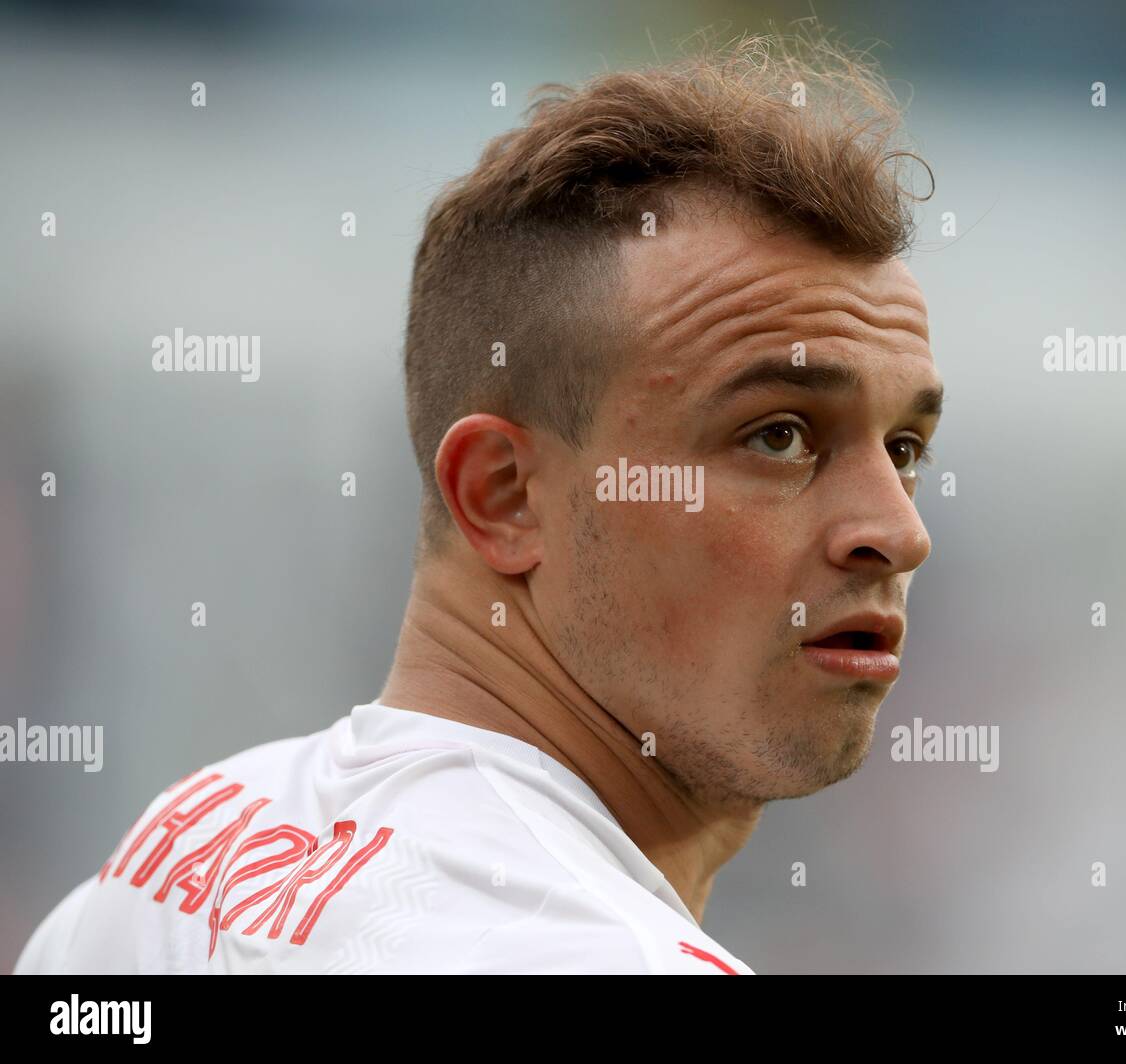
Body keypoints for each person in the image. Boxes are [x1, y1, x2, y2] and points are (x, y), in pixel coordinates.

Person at [15, 27, 942, 975]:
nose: (899, 533)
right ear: (503, 496)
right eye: (777, 435)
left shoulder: (169, 862)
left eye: (905, 448)